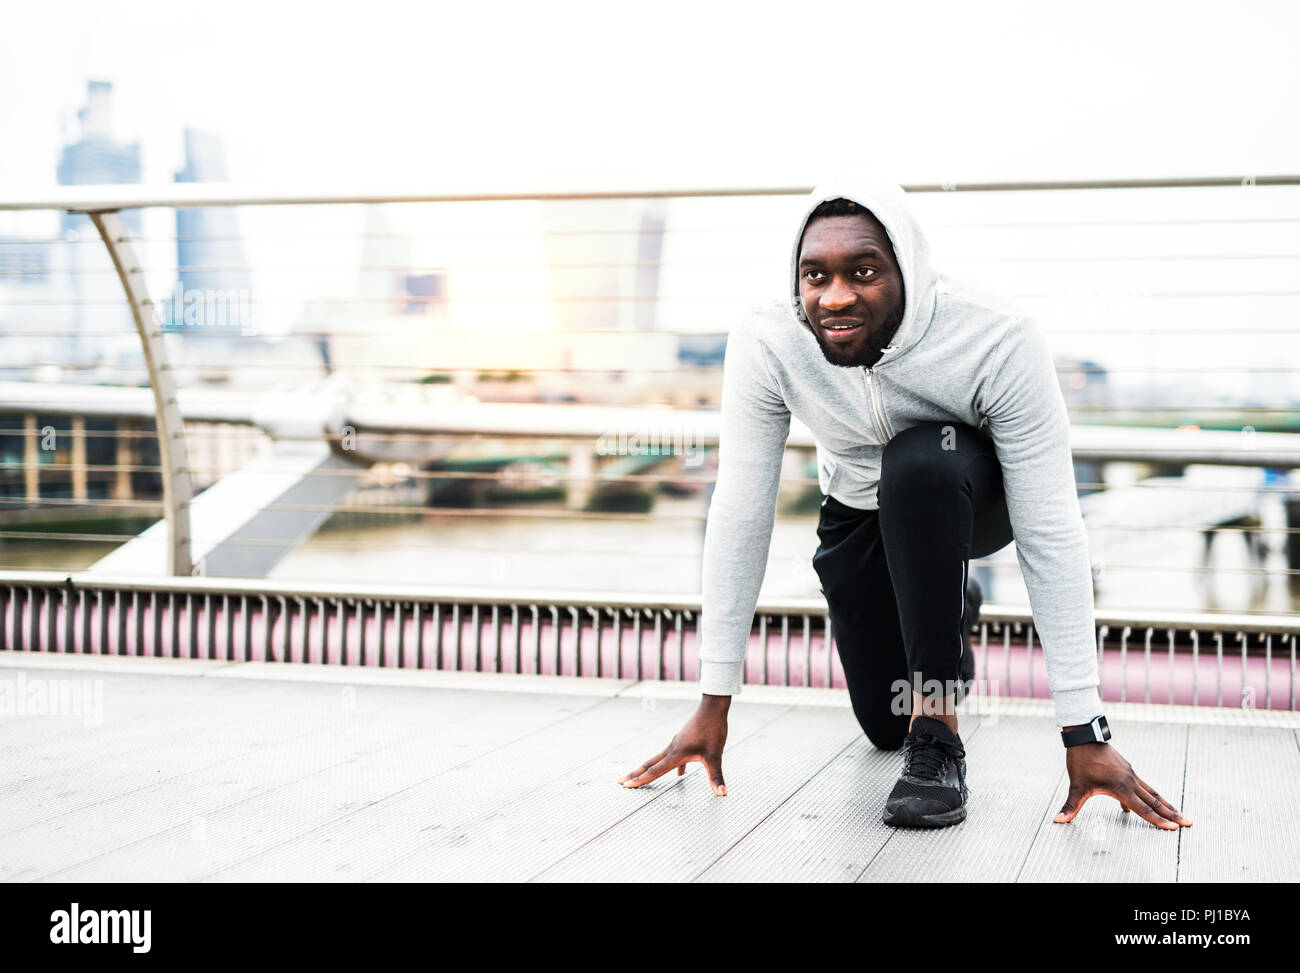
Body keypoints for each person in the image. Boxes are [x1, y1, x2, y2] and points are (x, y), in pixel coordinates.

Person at [619, 174, 1193, 832]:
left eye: (863, 271)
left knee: (918, 460)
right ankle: (953, 615)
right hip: (857, 504)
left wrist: (1084, 730)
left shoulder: (996, 335)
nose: (835, 297)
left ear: (907, 271)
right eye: (815, 275)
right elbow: (742, 508)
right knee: (884, 724)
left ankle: (939, 741)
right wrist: (712, 700)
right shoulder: (768, 336)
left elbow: (1052, 531)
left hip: (966, 497)